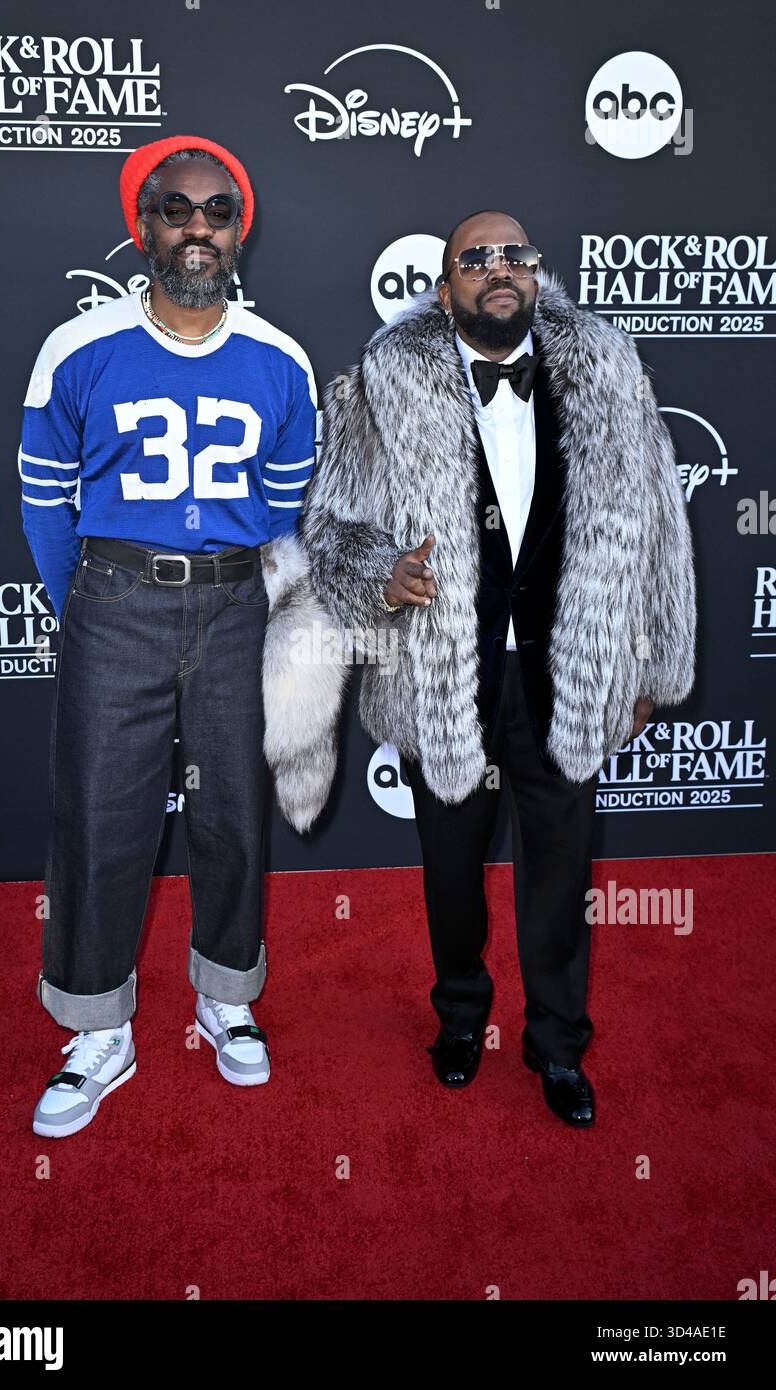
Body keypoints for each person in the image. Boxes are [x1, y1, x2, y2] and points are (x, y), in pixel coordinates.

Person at [301, 210, 696, 1127]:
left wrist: (650, 660)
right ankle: (459, 1018)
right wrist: (378, 574)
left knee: (560, 874)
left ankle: (558, 1046)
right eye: (474, 259)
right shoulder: (383, 384)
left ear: (537, 271)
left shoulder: (606, 370)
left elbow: (659, 528)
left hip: (571, 674)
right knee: (450, 871)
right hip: (446, 676)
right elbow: (329, 530)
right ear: (445, 290)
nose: (497, 268)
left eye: (513, 253)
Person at [20, 135, 340, 1137]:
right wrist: (88, 601)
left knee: (235, 813)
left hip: (238, 602)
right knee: (98, 815)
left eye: (217, 210)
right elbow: (43, 498)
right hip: (114, 600)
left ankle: (226, 994)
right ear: (142, 224)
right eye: (176, 208)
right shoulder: (78, 349)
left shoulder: (280, 357)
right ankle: (96, 1027)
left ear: (239, 230)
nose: (197, 226)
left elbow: (286, 500)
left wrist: (245, 583)